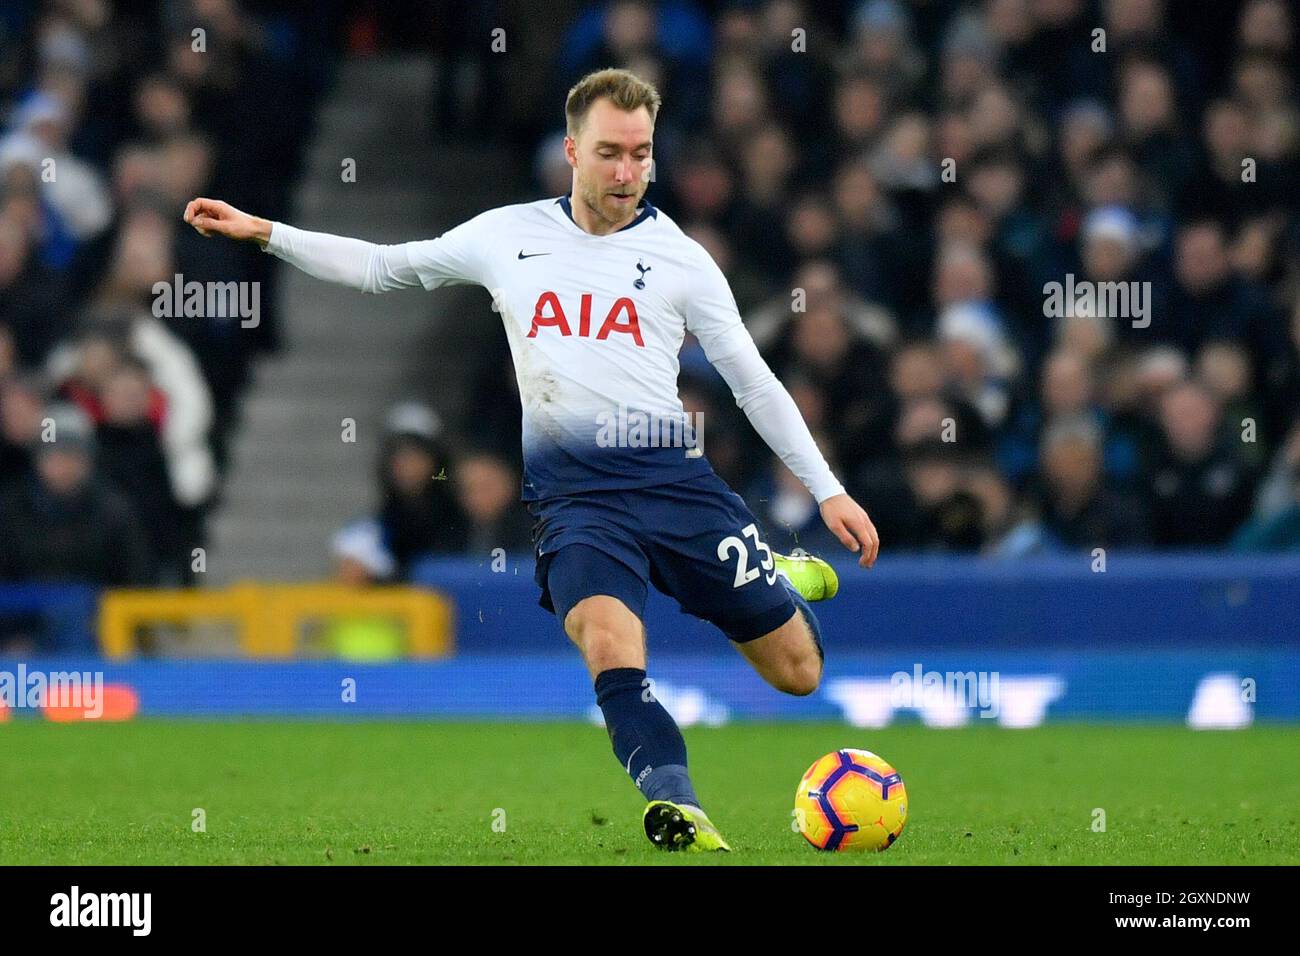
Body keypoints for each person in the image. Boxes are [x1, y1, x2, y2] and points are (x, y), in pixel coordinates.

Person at [182, 68, 879, 853]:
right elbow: (383, 268)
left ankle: (774, 571)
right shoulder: (504, 235)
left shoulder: (682, 260)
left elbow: (754, 383)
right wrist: (265, 231)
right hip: (577, 504)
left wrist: (827, 491)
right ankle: (678, 803)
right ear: (572, 151)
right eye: (610, 152)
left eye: (641, 154)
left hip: (677, 487)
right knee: (610, 645)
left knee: (797, 673)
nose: (625, 172)